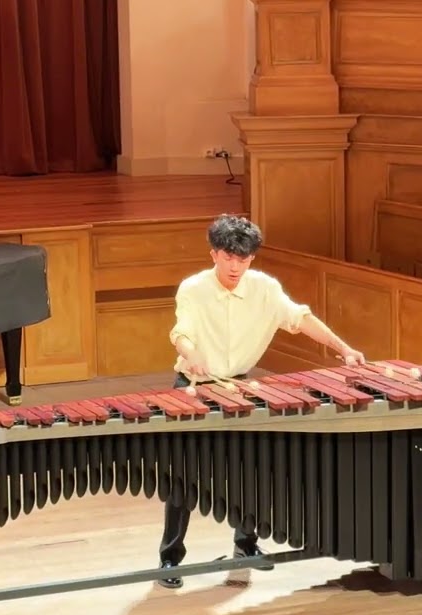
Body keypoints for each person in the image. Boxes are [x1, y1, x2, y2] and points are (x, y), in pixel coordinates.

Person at [156, 213, 366, 589]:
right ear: (214, 254)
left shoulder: (265, 288)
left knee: (248, 472)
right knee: (183, 477)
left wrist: (344, 348)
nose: (235, 266)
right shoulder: (193, 288)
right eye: (228, 257)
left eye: (244, 258)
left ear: (252, 258)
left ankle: (246, 546)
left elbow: (301, 319)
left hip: (238, 387)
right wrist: (190, 353)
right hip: (193, 385)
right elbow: (181, 331)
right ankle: (170, 560)